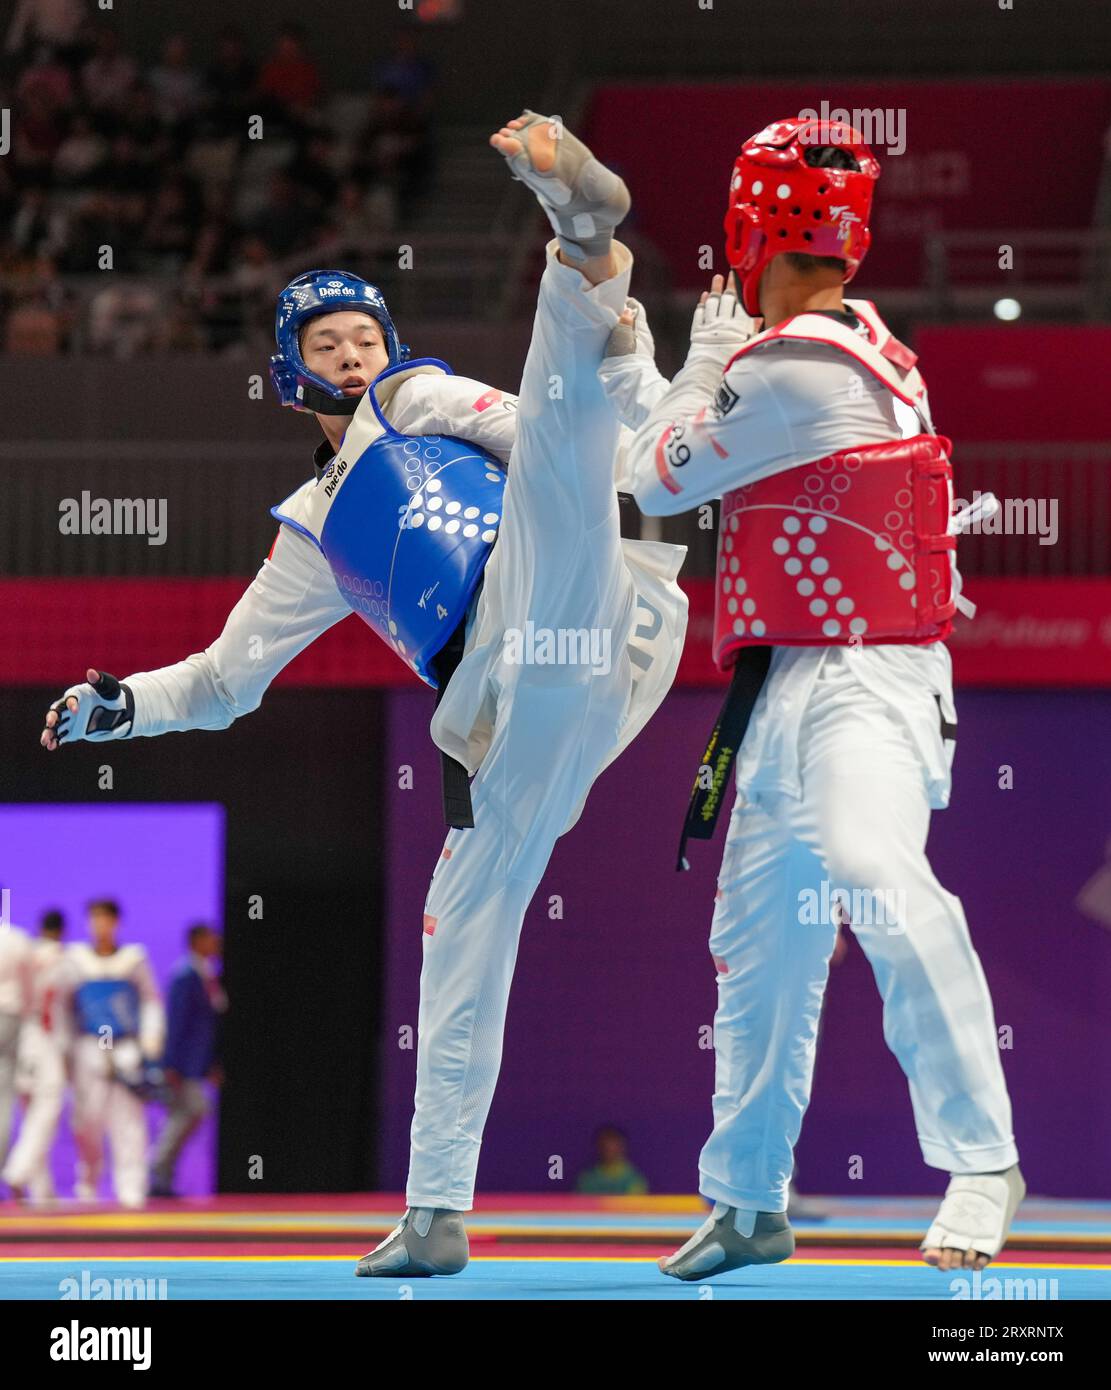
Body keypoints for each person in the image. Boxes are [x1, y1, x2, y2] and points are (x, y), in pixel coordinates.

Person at [41, 109, 690, 1277]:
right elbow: (223, 684)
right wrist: (122, 706)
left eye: (365, 336)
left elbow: (539, 430)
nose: (354, 356)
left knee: (558, 453)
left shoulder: (417, 399)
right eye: (330, 345)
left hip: (567, 606)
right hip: (519, 725)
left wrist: (647, 421)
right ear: (291, 374)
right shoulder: (310, 537)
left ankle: (581, 239)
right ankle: (438, 1212)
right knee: (459, 948)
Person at [602, 117, 1023, 1280]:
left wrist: (697, 358)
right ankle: (747, 1204)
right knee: (759, 946)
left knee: (874, 868)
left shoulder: (792, 368)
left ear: (747, 231)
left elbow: (647, 475)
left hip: (866, 679)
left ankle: (984, 1159)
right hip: (790, 676)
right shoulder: (863, 335)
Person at [54, 900, 165, 1207]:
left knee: (129, 1121)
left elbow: (151, 1000)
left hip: (125, 1047)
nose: (100, 926)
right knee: (86, 1121)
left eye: (105, 919)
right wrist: (62, 1050)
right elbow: (62, 1008)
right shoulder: (75, 960)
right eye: (95, 919)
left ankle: (131, 1190)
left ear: (116, 923)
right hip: (90, 1047)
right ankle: (88, 1184)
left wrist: (151, 1039)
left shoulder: (133, 960)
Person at [149, 924, 226, 1198]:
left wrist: (211, 1064)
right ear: (196, 941)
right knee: (191, 1111)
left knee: (188, 1114)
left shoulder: (207, 974)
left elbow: (208, 1027)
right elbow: (178, 1022)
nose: (217, 943)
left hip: (197, 1064)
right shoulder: (185, 975)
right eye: (211, 938)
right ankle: (157, 1174)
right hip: (183, 1065)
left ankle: (162, 1177)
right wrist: (171, 1064)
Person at [2, 908, 67, 1200]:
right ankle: (19, 1170)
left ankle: (40, 1190)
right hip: (43, 1038)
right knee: (47, 1107)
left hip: (24, 1038)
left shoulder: (29, 949)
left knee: (30, 1112)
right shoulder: (64, 958)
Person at [0, 918, 32, 1183]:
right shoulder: (17, 940)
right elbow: (30, 989)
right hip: (10, 1019)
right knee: (3, 1100)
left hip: (11, 1020)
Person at [576, 1125, 648, 1196]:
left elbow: (634, 1206)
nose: (609, 1149)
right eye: (604, 1145)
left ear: (622, 1147)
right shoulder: (586, 1179)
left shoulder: (635, 1180)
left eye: (614, 1144)